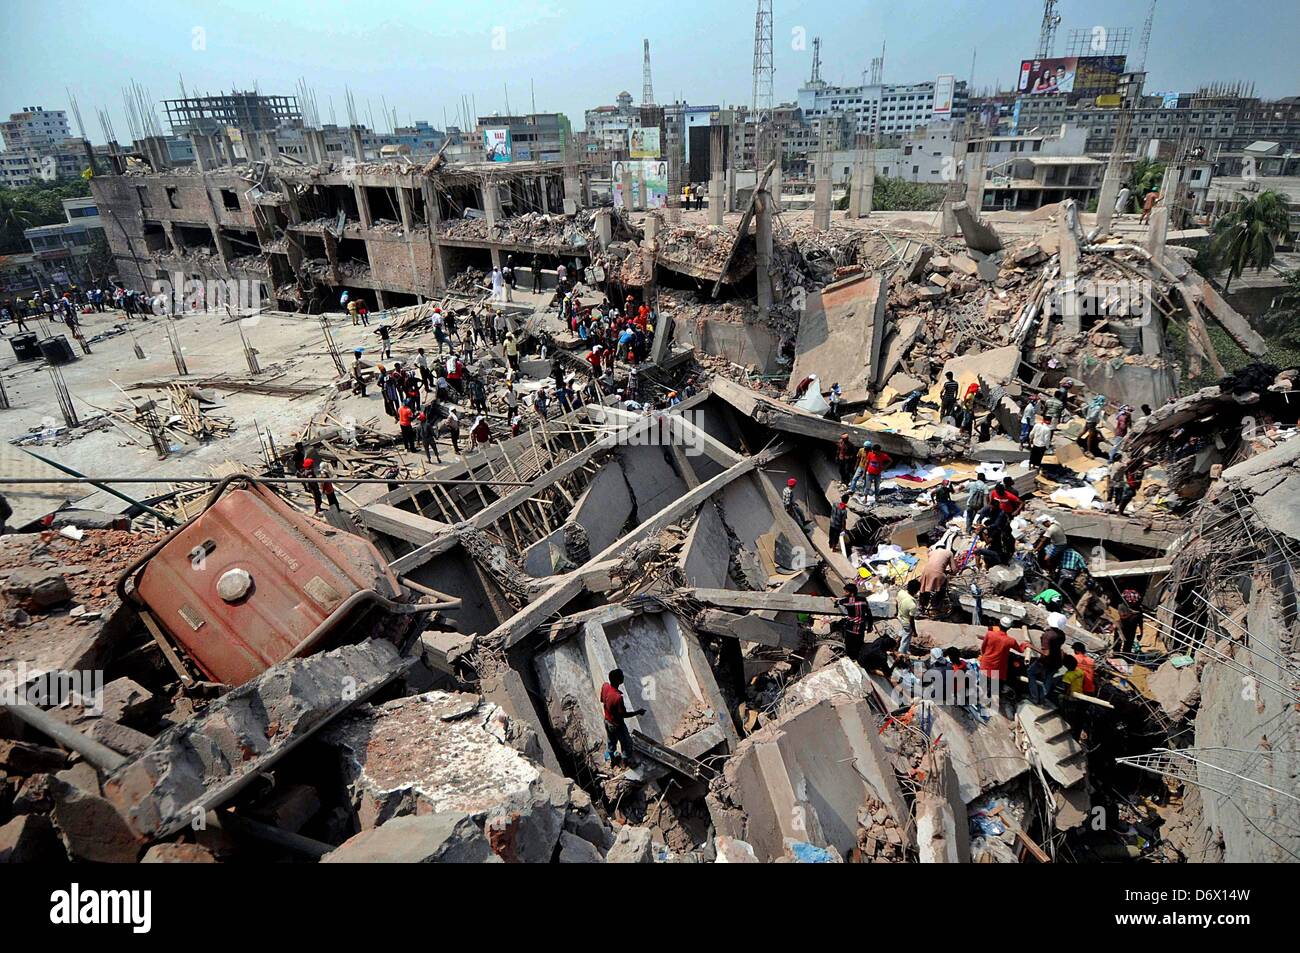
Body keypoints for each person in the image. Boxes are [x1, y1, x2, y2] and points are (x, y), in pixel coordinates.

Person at [600, 669, 645, 768]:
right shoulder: (617, 697)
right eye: (621, 676)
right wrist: (638, 712)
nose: (623, 677)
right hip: (617, 724)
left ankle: (612, 759)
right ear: (617, 680)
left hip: (607, 721)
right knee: (627, 743)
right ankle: (626, 762)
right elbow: (623, 715)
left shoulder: (605, 686)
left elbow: (602, 700)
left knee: (611, 740)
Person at [978, 617, 1028, 698]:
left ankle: (985, 694)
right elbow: (1021, 650)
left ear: (999, 624)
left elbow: (983, 647)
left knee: (985, 681)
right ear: (1009, 628)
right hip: (997, 666)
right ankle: (992, 696)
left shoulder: (989, 634)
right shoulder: (1011, 641)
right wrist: (1024, 644)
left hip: (986, 662)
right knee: (995, 684)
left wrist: (984, 656)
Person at [1027, 626, 1066, 704]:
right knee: (1048, 678)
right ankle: (1042, 699)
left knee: (1030, 673)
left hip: (1046, 661)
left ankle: (1034, 697)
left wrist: (1031, 646)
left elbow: (1046, 653)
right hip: (1057, 661)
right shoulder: (1061, 634)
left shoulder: (1048, 635)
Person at [836, 583, 872, 666]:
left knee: (849, 646)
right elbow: (869, 614)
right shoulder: (863, 600)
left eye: (846, 592)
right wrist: (869, 626)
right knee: (859, 645)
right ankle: (859, 661)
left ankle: (850, 662)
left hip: (850, 628)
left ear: (851, 593)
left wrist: (834, 600)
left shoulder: (847, 601)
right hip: (861, 629)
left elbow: (837, 602)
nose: (844, 593)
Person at [918, 542, 953, 612]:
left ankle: (922, 606)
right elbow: (954, 569)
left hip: (925, 572)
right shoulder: (949, 553)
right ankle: (937, 605)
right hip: (938, 574)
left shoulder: (931, 553)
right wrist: (952, 572)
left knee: (924, 588)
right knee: (942, 587)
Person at [896, 579, 921, 655]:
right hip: (907, 622)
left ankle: (897, 641)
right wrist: (914, 631)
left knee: (903, 630)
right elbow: (911, 620)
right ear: (917, 590)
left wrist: (896, 612)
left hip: (900, 617)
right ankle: (901, 653)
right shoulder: (912, 604)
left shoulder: (901, 593)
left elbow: (896, 602)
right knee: (906, 639)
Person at [1115, 589, 1144, 654]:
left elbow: (1140, 621)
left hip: (1131, 629)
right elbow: (1122, 617)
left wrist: (1141, 632)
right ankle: (1116, 655)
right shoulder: (1121, 606)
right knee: (1118, 643)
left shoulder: (1138, 608)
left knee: (1128, 645)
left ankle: (1126, 657)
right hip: (1121, 628)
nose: (1132, 604)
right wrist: (1132, 613)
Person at [964, 470, 990, 534]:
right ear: (983, 478)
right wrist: (988, 505)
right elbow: (986, 496)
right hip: (978, 505)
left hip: (970, 503)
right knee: (975, 517)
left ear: (977, 478)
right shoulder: (985, 486)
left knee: (969, 517)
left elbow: (965, 489)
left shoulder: (972, 484)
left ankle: (968, 530)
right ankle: (977, 530)